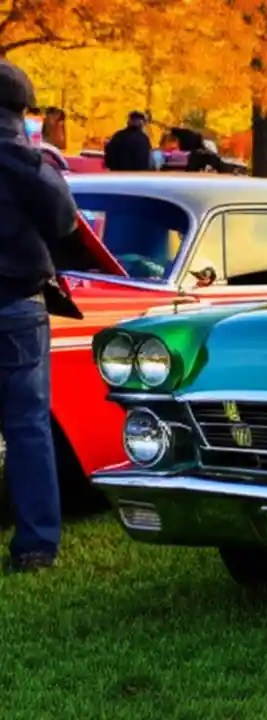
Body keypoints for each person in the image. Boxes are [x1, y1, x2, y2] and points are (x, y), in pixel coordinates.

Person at [0, 60, 81, 573]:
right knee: (28, 427)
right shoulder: (26, 162)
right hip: (17, 304)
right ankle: (35, 545)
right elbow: (65, 220)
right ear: (20, 109)